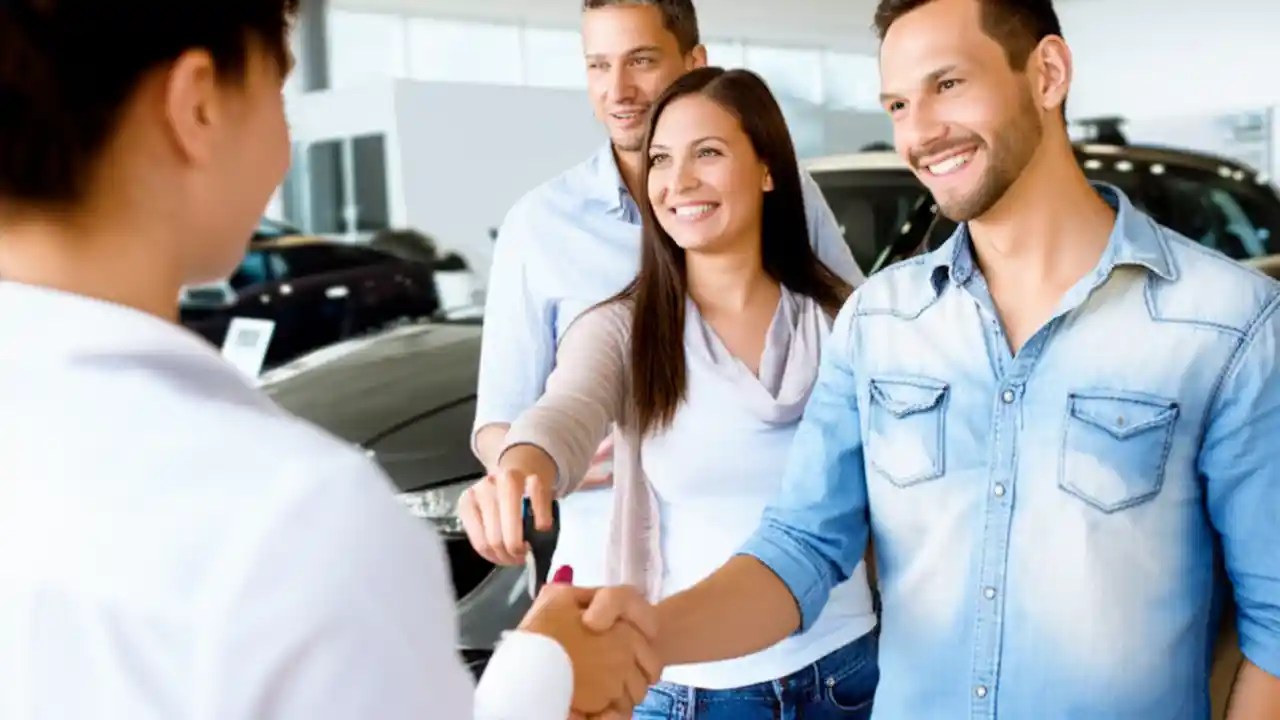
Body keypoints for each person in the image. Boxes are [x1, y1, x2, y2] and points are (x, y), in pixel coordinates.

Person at [581, 0, 1280, 718]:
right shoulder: (879, 322)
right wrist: (647, 635)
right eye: (897, 103)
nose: (920, 131)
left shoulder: (1227, 325)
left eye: (947, 85)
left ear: (1047, 73)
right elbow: (800, 549)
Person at [0, 2, 656, 719]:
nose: (287, 143)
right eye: (278, 94)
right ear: (197, 107)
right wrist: (546, 683)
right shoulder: (294, 519)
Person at [461, 66, 880, 719]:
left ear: (769, 170)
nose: (677, 182)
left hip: (847, 674)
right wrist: (521, 466)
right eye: (661, 159)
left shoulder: (843, 321)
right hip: (688, 688)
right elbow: (567, 409)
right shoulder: (625, 328)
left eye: (707, 153)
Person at [469, 0, 865, 589]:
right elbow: (520, 416)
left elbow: (852, 336)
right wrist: (533, 468)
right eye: (598, 66)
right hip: (619, 579)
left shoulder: (788, 202)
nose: (619, 90)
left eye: (642, 61)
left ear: (693, 61)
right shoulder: (542, 227)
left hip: (805, 583)